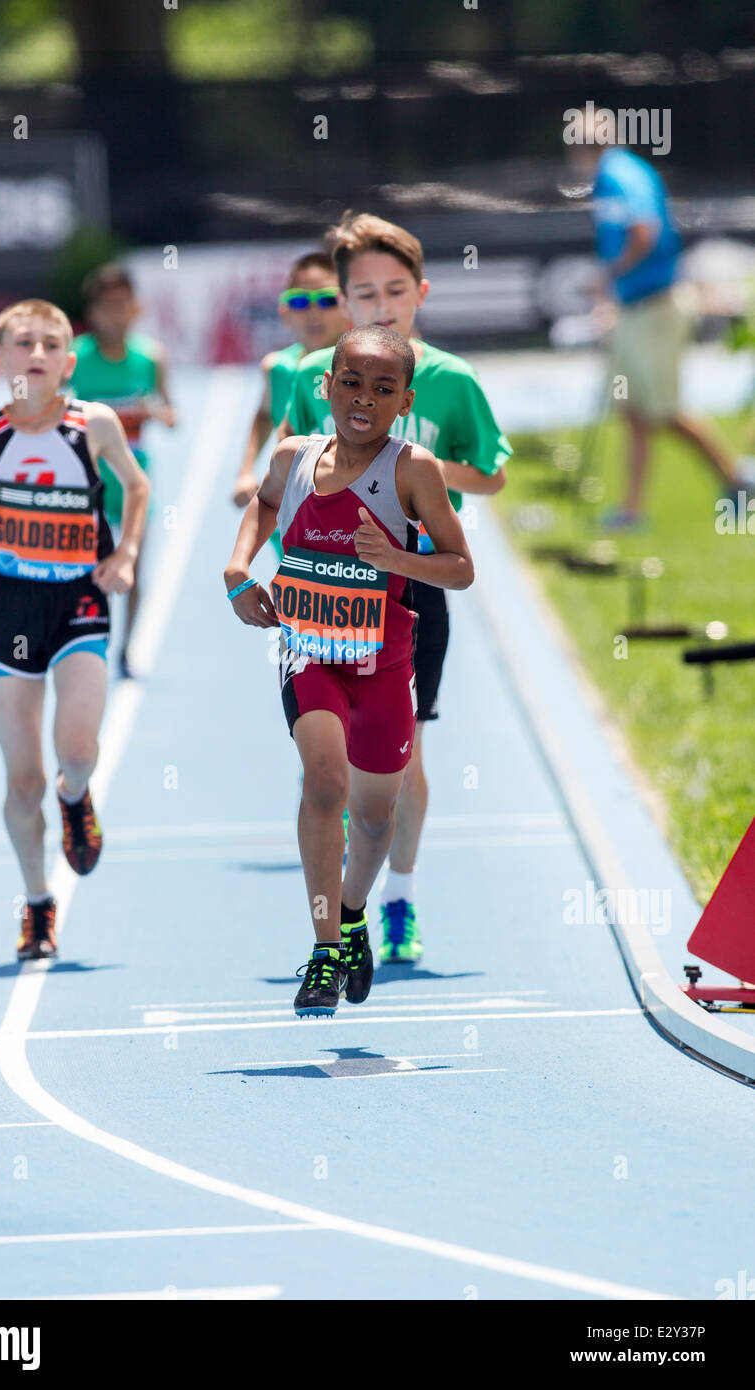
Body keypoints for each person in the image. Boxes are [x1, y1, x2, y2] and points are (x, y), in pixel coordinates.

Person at [225, 325, 474, 1017]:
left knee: (373, 819)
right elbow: (264, 504)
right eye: (352, 383)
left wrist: (397, 559)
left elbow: (461, 568)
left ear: (405, 399)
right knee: (325, 782)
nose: (365, 399)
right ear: (325, 387)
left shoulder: (413, 470)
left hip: (385, 663)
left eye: (384, 388)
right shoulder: (294, 456)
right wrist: (238, 570)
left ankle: (356, 912)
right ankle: (326, 945)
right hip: (308, 651)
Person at [286, 212, 510, 964]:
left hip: (410, 587)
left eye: (394, 291)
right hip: (325, 589)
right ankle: (339, 904)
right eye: (363, 294)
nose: (380, 307)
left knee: (404, 758)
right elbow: (290, 470)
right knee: (327, 764)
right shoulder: (317, 375)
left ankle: (399, 899)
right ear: (342, 301)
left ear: (420, 292)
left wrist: (412, 473)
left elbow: (494, 473)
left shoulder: (448, 381)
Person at [0, 299, 150, 961]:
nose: (37, 354)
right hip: (12, 606)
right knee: (22, 782)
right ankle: (37, 902)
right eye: (22, 343)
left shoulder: (95, 425)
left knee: (79, 750)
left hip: (80, 599)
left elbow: (136, 489)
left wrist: (127, 552)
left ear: (68, 360)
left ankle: (77, 796)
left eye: (50, 344)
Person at [567, 108, 749, 528]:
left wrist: (608, 275)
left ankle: (738, 477)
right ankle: (632, 510)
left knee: (663, 410)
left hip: (657, 306)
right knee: (632, 409)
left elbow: (645, 231)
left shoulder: (620, 175)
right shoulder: (612, 175)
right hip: (636, 308)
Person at [70, 263, 176, 678]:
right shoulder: (75, 357)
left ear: (136, 308)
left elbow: (172, 414)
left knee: (131, 568)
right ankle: (86, 641)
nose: (115, 313)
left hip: (133, 481)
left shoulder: (149, 358)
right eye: (106, 305)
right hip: (85, 483)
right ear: (93, 311)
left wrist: (155, 412)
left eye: (122, 305)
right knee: (84, 570)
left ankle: (127, 650)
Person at [232, 250, 350, 562]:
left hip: (350, 506)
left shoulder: (363, 368)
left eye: (326, 300)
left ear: (347, 305)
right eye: (300, 302)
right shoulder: (278, 367)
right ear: (284, 311)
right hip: (293, 504)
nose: (313, 312)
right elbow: (262, 417)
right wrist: (245, 472)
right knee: (297, 599)